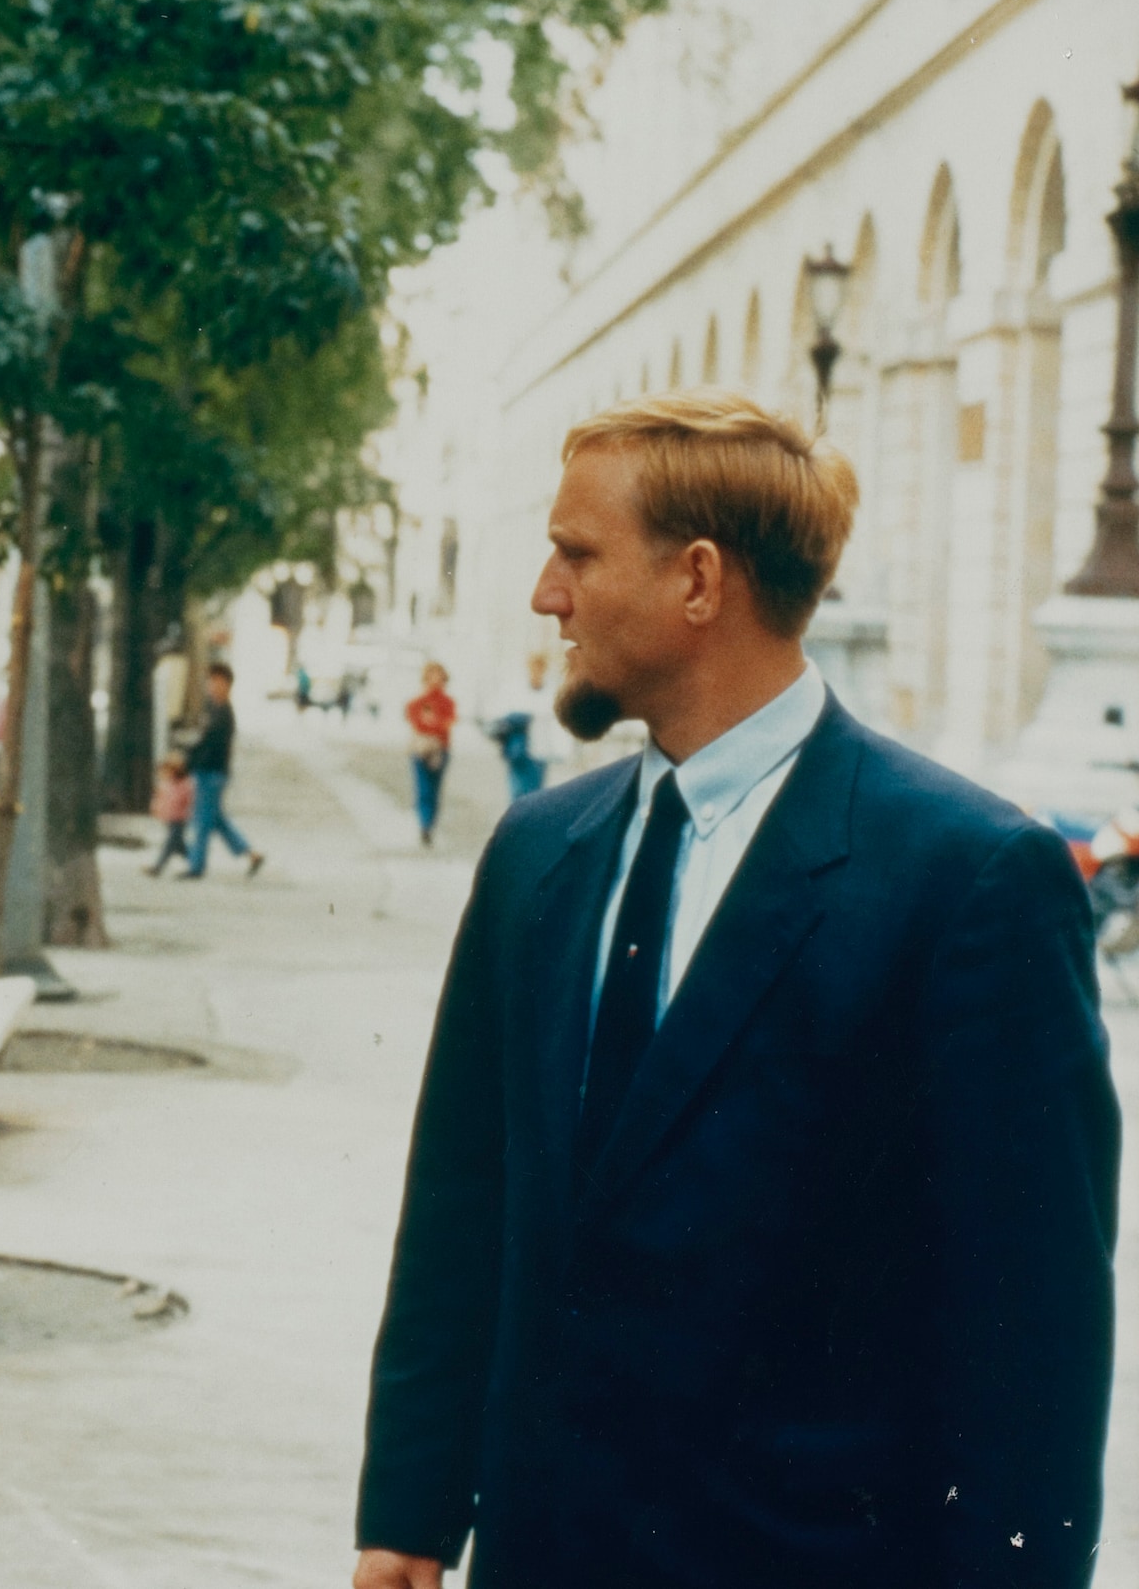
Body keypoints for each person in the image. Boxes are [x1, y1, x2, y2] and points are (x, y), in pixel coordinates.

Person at [353, 391, 1119, 1589]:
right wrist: (407, 1510)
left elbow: (1030, 1340)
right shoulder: (534, 855)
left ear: (697, 581)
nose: (545, 595)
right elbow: (461, 1211)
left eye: (575, 554)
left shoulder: (964, 878)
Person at [183, 662, 266, 879]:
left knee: (202, 821)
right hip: (207, 772)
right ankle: (252, 854)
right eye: (210, 682)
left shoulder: (224, 714)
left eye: (217, 682)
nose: (212, 687)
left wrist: (190, 762)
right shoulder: (213, 709)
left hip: (213, 773)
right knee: (216, 820)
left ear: (227, 685)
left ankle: (196, 866)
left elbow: (210, 746)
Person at [487, 652, 565, 800]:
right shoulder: (517, 690)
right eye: (533, 667)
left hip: (540, 748)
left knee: (535, 792)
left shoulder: (550, 692)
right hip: (518, 748)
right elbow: (506, 714)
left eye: (540, 668)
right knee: (516, 791)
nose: (536, 672)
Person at [404, 663, 455, 846]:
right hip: (421, 748)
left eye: (440, 676)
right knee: (423, 788)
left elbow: (447, 724)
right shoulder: (416, 702)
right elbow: (416, 723)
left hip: (441, 750)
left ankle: (430, 823)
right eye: (432, 675)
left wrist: (432, 724)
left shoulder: (448, 702)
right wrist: (433, 725)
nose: (436, 680)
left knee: (435, 788)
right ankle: (424, 824)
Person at [144, 754, 195, 876]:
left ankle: (157, 867)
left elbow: (189, 800)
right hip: (168, 818)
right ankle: (196, 860)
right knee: (179, 846)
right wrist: (155, 808)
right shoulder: (166, 784)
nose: (164, 774)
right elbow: (159, 798)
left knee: (169, 844)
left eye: (167, 771)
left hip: (179, 819)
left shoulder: (185, 784)